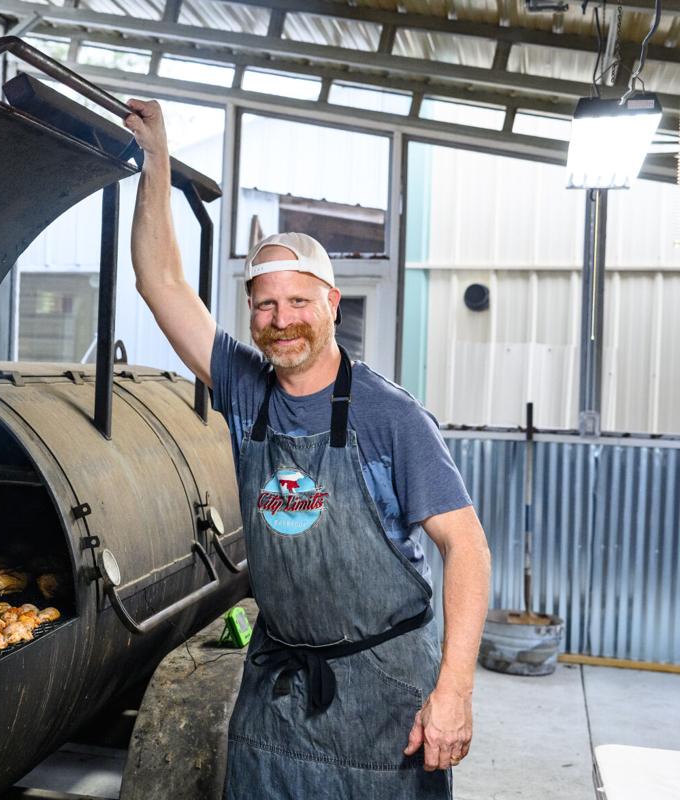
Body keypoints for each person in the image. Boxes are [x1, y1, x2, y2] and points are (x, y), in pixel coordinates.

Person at [122, 98, 492, 799]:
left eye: (298, 302)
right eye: (265, 304)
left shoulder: (391, 416)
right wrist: (156, 158)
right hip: (278, 691)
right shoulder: (245, 388)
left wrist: (455, 689)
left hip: (384, 695)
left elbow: (466, 546)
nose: (281, 320)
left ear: (331, 305)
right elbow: (160, 282)